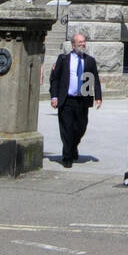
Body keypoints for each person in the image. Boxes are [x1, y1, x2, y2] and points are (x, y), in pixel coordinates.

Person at [49, 32, 103, 166]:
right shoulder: (63, 59)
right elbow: (55, 79)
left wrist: (98, 97)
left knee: (80, 127)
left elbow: (95, 79)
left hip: (82, 99)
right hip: (66, 99)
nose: (83, 45)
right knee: (67, 128)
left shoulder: (89, 60)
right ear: (73, 45)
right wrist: (54, 96)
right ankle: (67, 157)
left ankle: (73, 148)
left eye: (84, 42)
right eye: (80, 43)